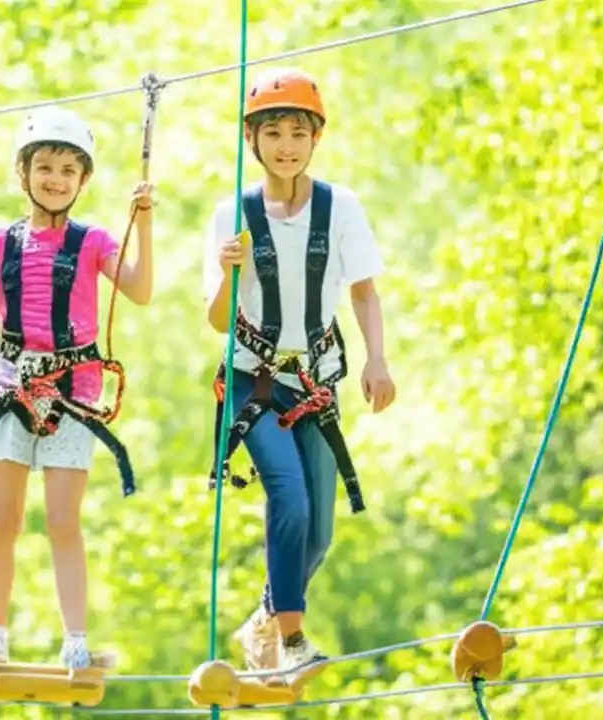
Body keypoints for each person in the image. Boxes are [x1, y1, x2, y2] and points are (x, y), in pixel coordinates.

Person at [201, 67, 396, 673]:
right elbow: (216, 319)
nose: (285, 145)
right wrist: (230, 271)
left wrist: (377, 358)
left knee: (319, 532)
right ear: (250, 139)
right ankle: (289, 642)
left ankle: (266, 616)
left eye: (297, 132)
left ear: (316, 138)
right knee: (288, 497)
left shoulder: (341, 207)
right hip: (254, 382)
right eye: (273, 132)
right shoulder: (232, 212)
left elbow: (363, 292)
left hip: (315, 382)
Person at [0, 106, 154, 669]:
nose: (55, 179)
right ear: (23, 174)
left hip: (73, 393)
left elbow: (137, 290)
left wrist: (146, 222)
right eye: (44, 168)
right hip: (12, 386)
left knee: (62, 519)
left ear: (83, 181)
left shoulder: (92, 242)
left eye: (68, 170)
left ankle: (76, 641)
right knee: (4, 519)